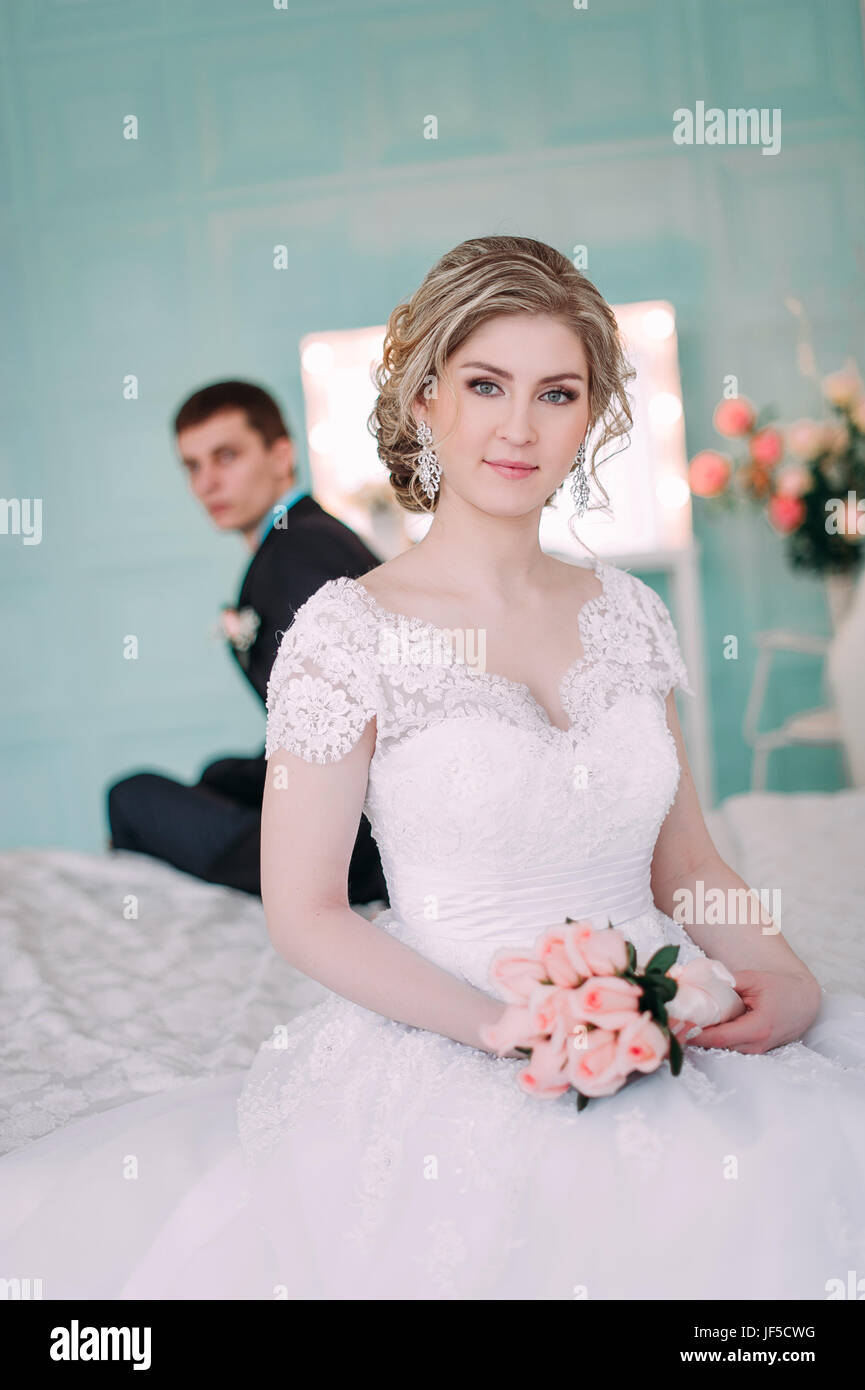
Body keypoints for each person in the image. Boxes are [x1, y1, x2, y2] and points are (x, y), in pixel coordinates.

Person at [2, 236, 864, 1300]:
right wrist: (501, 1028)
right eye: (484, 384)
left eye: (556, 392)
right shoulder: (345, 630)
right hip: (461, 1024)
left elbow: (682, 865)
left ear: (589, 415)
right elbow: (305, 908)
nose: (518, 426)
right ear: (423, 401)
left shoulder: (631, 617)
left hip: (663, 1002)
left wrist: (781, 974)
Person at [106, 380, 388, 906]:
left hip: (349, 845)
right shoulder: (298, 539)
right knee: (219, 774)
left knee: (130, 795)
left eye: (226, 456)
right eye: (192, 466)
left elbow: (351, 713)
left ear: (281, 455)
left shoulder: (300, 551)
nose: (207, 482)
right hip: (342, 812)